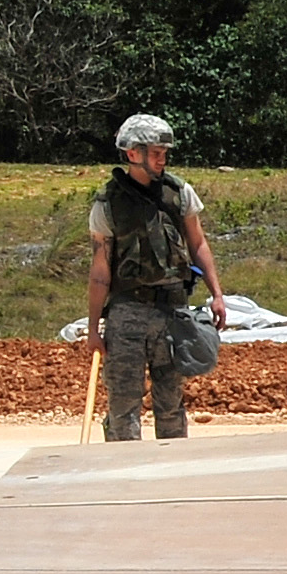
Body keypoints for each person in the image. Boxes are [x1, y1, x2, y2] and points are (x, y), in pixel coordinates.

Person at [87, 113, 228, 440]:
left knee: (171, 402)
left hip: (172, 314)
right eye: (155, 152)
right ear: (133, 154)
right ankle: (124, 474)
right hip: (127, 315)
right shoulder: (108, 203)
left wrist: (217, 294)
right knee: (123, 403)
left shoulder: (179, 193)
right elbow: (99, 272)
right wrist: (94, 328)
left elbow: (198, 243)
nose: (163, 158)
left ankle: (171, 474)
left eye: (165, 152)